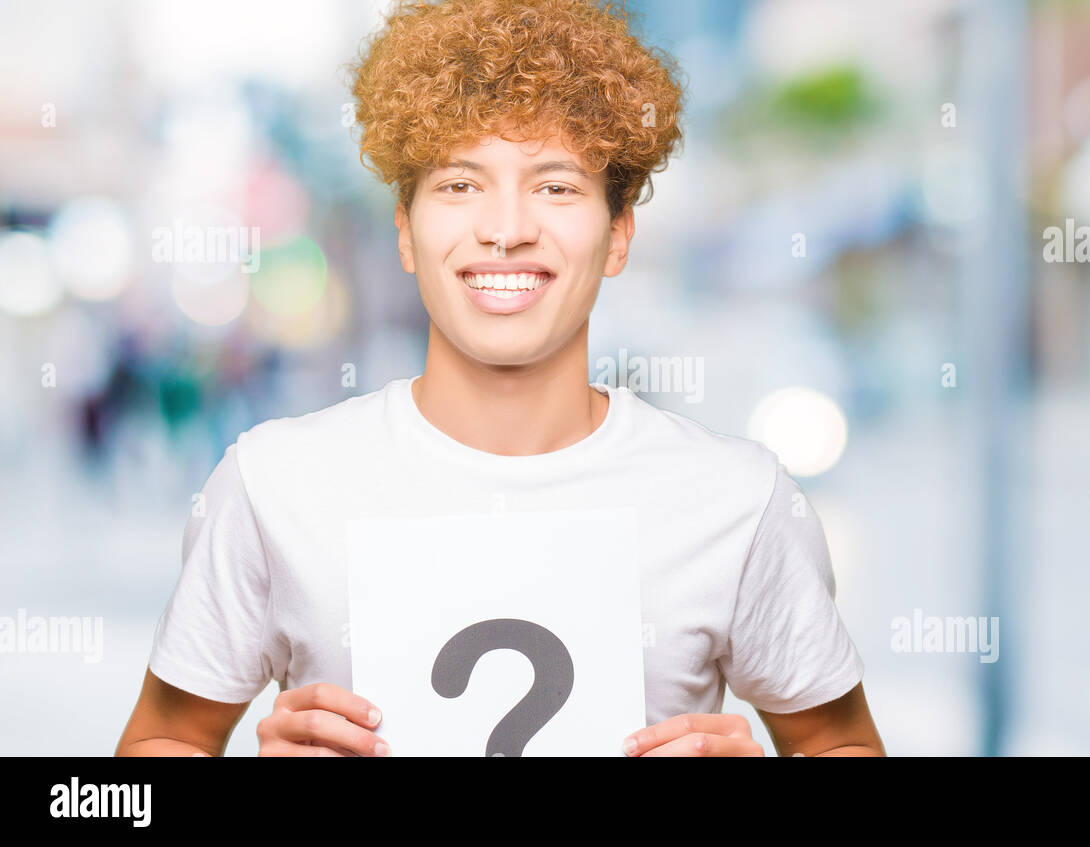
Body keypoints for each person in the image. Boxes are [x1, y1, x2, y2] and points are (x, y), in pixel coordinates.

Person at [116, 0, 884, 757]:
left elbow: (839, 744)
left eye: (556, 186)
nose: (507, 228)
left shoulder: (740, 501)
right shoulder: (271, 483)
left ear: (618, 235)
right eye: (459, 184)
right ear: (405, 232)